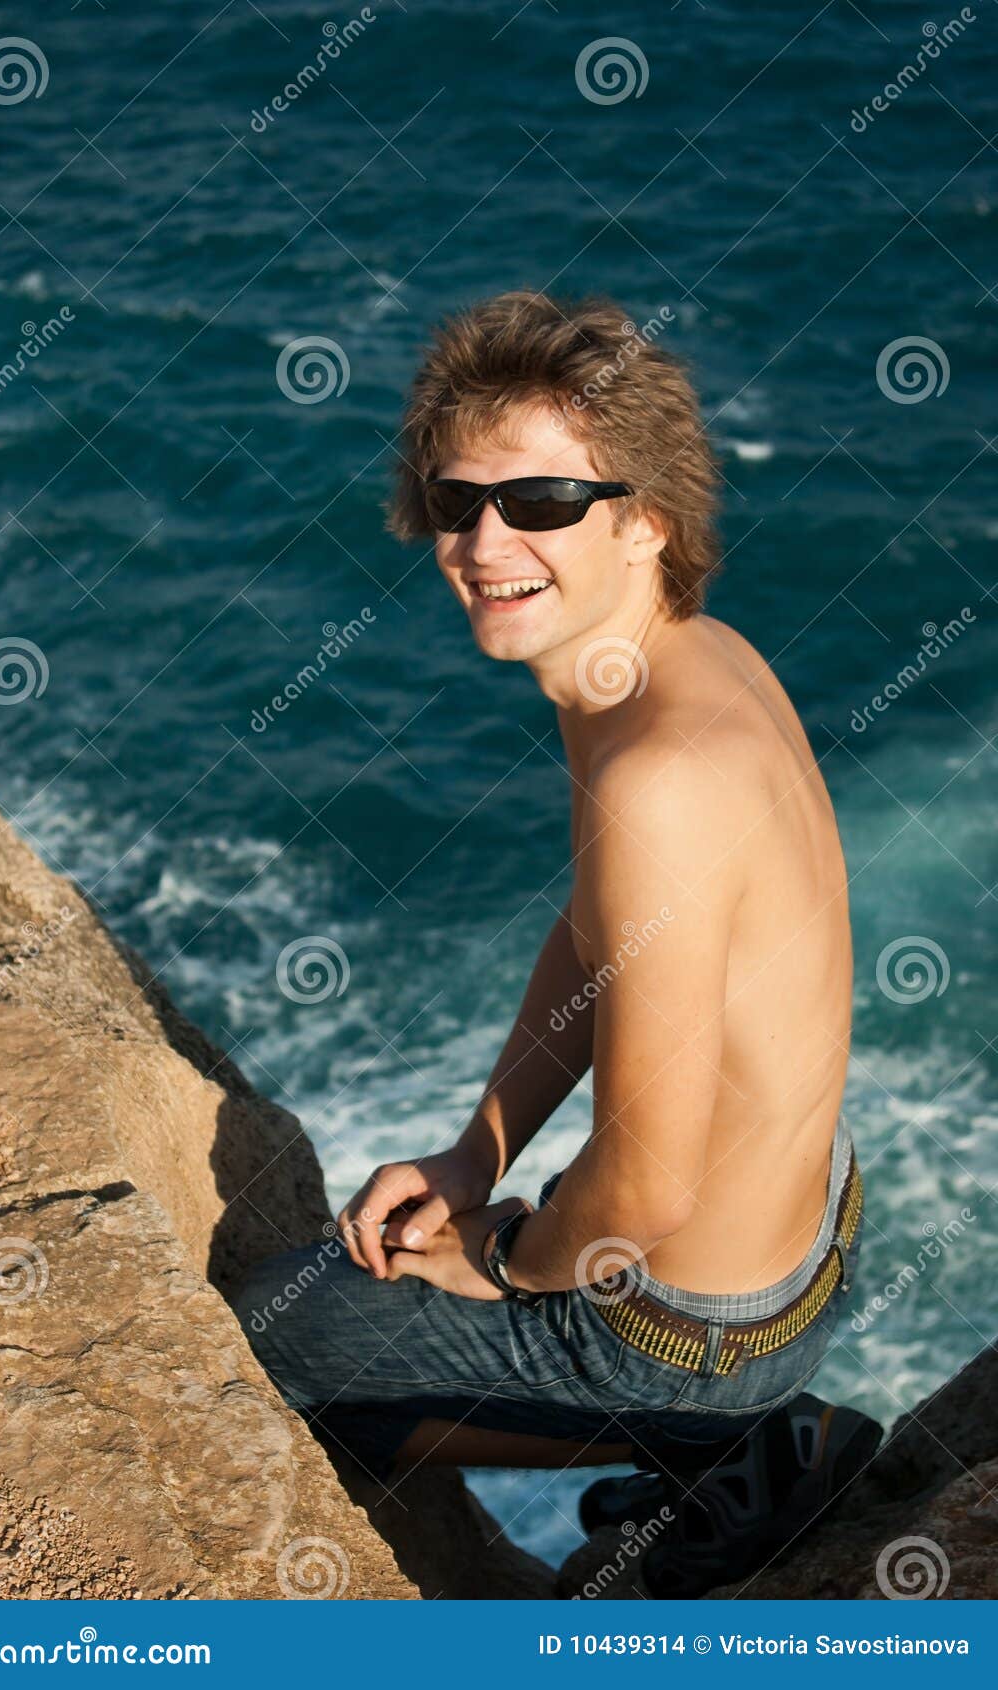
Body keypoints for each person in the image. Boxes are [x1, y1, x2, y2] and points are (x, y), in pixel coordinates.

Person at [234, 289, 881, 1593]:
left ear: (646, 519)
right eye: (456, 500)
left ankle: (721, 1455)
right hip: (815, 1240)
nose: (485, 542)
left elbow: (642, 1199)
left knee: (262, 1342)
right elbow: (606, 935)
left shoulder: (658, 774)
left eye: (539, 501)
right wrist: (479, 1149)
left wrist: (500, 1256)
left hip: (693, 1337)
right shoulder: (680, 663)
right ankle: (732, 1439)